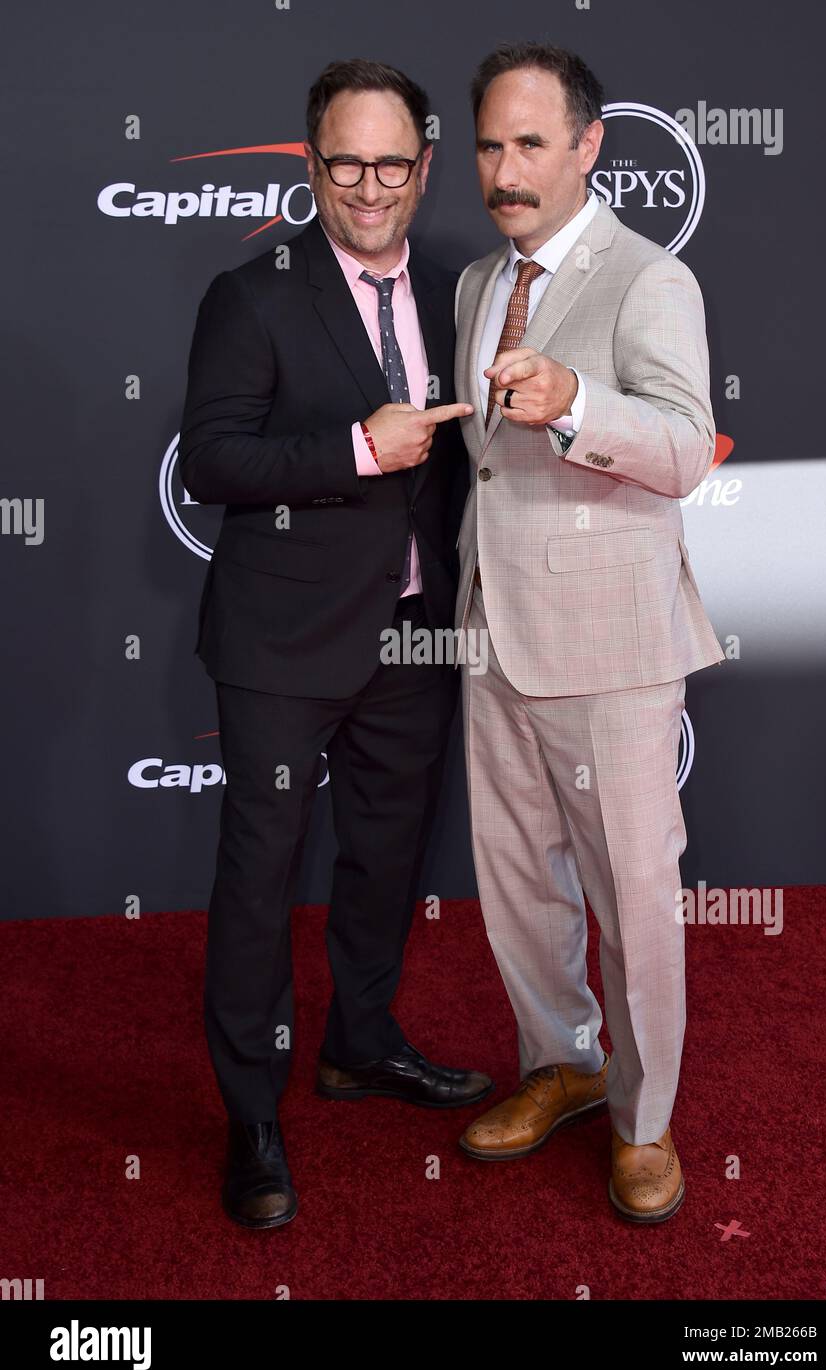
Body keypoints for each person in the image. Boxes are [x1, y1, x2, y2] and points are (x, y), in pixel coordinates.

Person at [178, 57, 490, 1231]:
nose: (370, 186)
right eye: (346, 163)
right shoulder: (252, 292)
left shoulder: (458, 291)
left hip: (411, 636)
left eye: (392, 164)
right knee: (260, 883)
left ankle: (362, 1043)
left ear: (423, 168)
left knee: (385, 861)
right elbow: (211, 460)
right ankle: (250, 1114)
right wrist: (360, 450)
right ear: (313, 165)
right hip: (280, 643)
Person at [452, 42, 724, 1223]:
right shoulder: (473, 282)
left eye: (530, 144)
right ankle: (563, 1061)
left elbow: (681, 451)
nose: (505, 170)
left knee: (634, 897)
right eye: (488, 145)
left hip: (611, 646)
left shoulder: (648, 279)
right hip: (492, 635)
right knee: (520, 890)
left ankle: (644, 1116)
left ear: (588, 147)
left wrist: (576, 404)